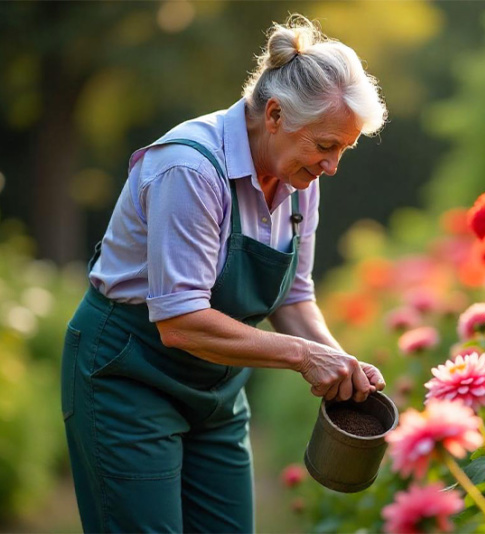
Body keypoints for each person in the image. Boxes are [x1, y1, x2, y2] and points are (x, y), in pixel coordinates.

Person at [60, 14, 387, 533]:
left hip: (216, 386)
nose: (333, 165)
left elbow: (292, 295)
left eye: (343, 149)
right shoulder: (190, 169)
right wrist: (305, 356)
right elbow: (181, 321)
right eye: (326, 146)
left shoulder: (299, 177)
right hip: (128, 373)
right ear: (275, 114)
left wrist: (338, 359)